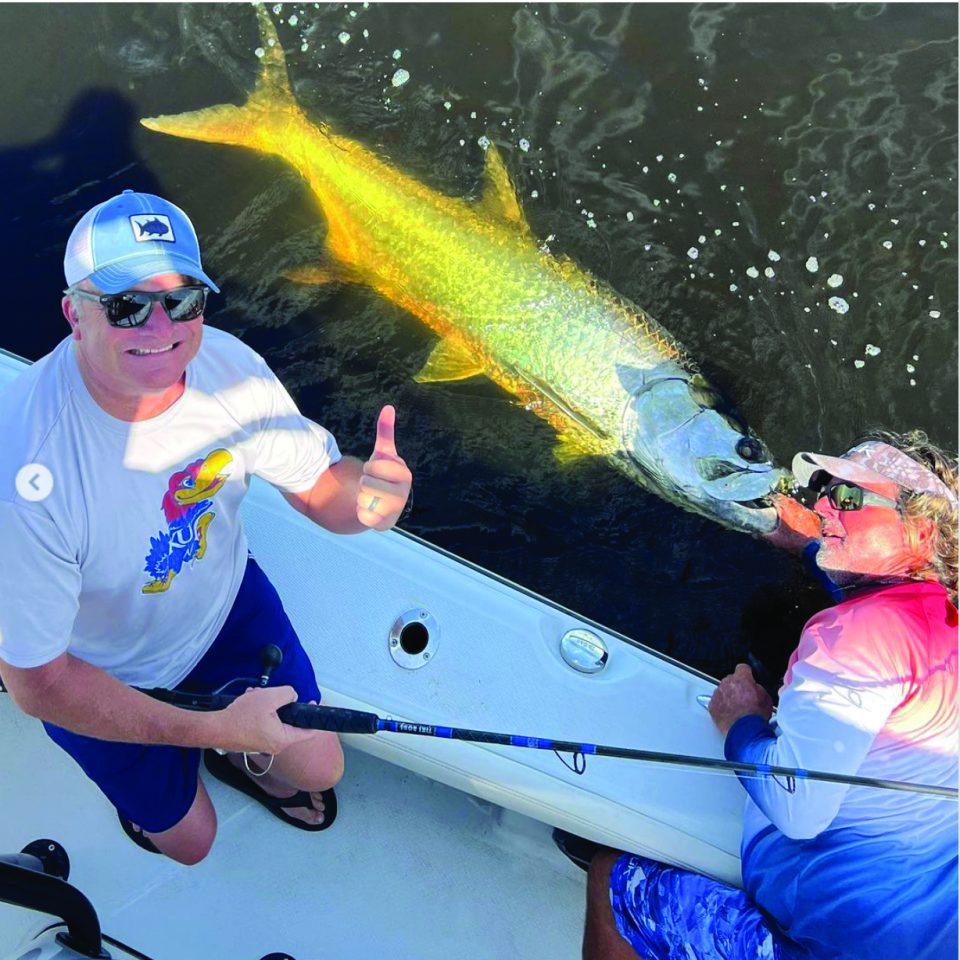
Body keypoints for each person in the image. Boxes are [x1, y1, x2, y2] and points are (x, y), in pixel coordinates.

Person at [0, 189, 412, 865]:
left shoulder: (228, 368)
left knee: (321, 768)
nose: (159, 327)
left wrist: (367, 498)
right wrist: (208, 726)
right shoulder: (25, 474)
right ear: (75, 313)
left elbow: (318, 488)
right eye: (127, 305)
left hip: (224, 610)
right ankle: (214, 758)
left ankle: (237, 754)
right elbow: (38, 684)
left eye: (182, 299)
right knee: (192, 843)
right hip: (104, 673)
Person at [578, 430, 958, 959]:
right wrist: (811, 547)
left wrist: (742, 722)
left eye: (849, 498)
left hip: (826, 945)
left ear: (921, 529)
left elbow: (796, 804)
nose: (823, 504)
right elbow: (893, 603)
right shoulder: (945, 616)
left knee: (614, 881)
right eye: (824, 489)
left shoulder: (851, 637)